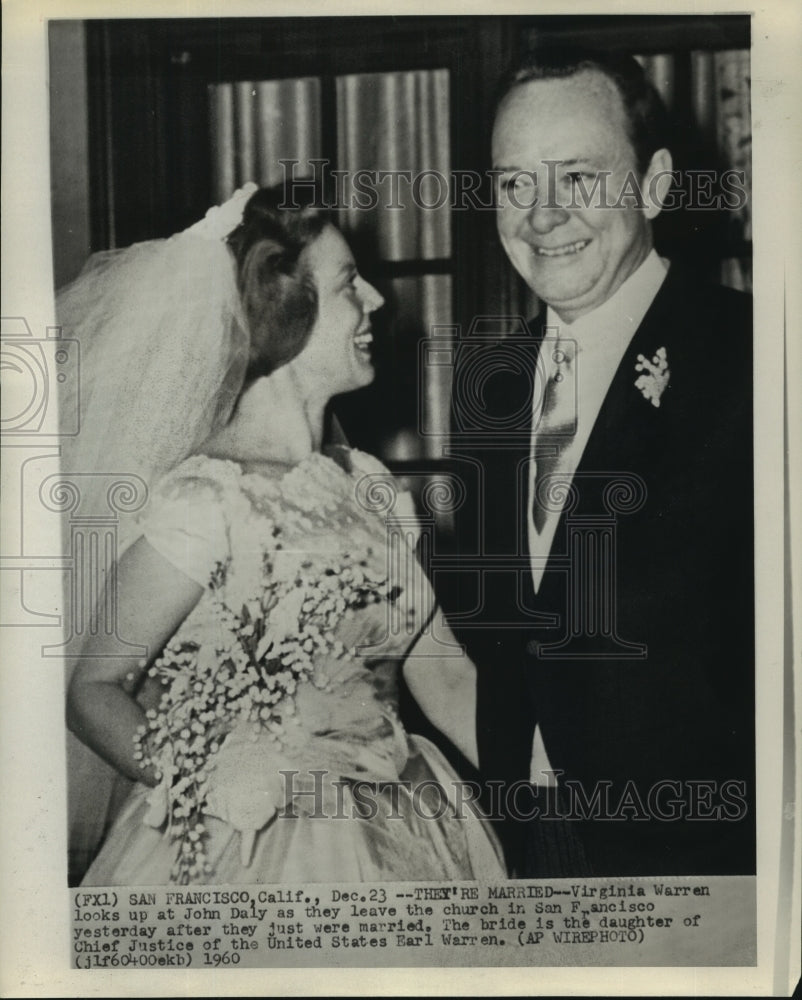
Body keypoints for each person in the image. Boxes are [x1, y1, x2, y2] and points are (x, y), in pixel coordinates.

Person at [63, 183, 505, 885]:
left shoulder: (372, 489)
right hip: (253, 851)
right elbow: (93, 692)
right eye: (350, 284)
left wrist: (559, 772)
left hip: (411, 829)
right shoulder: (208, 498)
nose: (378, 303)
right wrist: (204, 776)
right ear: (283, 307)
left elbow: (445, 676)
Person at [450, 47, 754, 877]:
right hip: (525, 843)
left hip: (710, 859)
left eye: (577, 177)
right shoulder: (491, 384)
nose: (542, 216)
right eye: (515, 183)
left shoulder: (755, 356)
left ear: (654, 185)